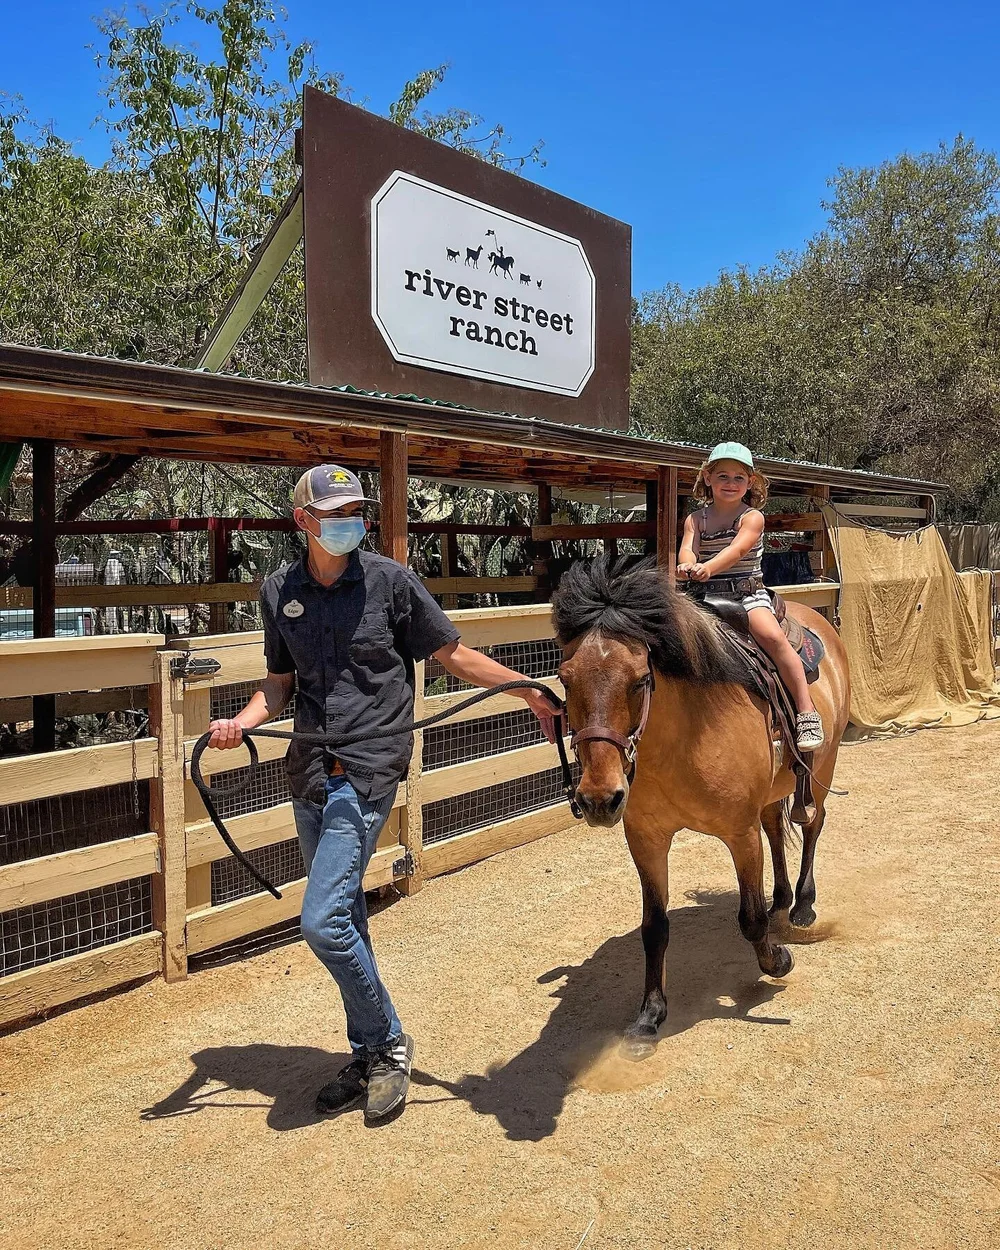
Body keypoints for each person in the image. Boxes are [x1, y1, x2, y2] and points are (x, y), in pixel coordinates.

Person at [207, 464, 558, 1124]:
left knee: (322, 921)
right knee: (348, 917)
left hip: (366, 769)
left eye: (357, 510)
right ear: (303, 521)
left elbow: (451, 655)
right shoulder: (279, 588)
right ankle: (370, 1052)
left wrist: (525, 688)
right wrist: (242, 722)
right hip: (308, 769)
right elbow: (277, 683)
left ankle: (388, 1042)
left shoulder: (391, 582)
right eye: (336, 511)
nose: (351, 521)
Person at [676, 442, 825, 751]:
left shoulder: (752, 517)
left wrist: (708, 567)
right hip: (703, 595)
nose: (730, 484)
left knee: (772, 638)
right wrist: (686, 565)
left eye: (738, 478)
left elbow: (738, 550)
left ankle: (806, 711)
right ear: (707, 478)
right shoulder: (695, 520)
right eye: (722, 476)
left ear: (750, 482)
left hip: (745, 593)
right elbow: (688, 547)